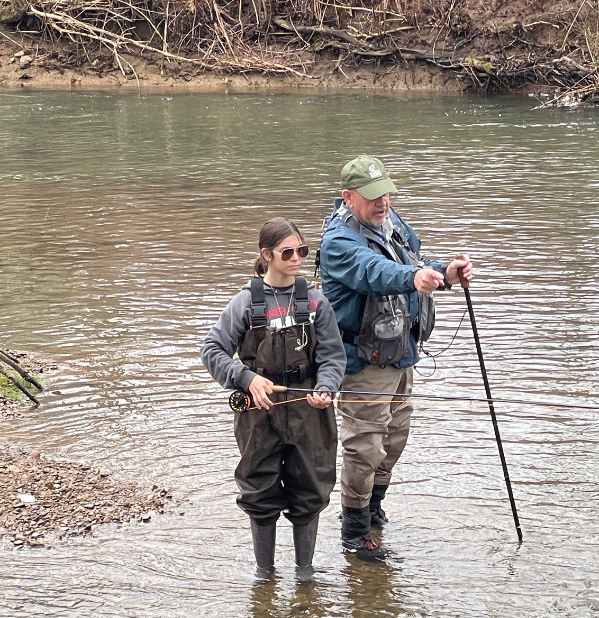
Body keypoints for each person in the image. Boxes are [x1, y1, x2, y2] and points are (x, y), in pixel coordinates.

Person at [319, 155, 473, 560]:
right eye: (372, 197)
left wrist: (446, 274)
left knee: (395, 439)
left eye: (386, 193)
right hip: (363, 360)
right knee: (365, 446)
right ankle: (353, 533)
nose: (382, 202)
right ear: (347, 197)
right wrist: (414, 278)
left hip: (401, 352)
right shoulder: (338, 241)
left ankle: (373, 510)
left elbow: (415, 264)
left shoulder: (391, 222)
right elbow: (374, 271)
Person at [201, 217, 346, 581]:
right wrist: (245, 378)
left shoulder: (315, 302)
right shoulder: (245, 303)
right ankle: (263, 573)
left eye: (302, 250)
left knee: (311, 487)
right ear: (267, 256)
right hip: (257, 412)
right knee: (259, 489)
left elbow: (332, 356)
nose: (297, 258)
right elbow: (212, 350)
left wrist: (326, 386)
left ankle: (305, 572)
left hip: (309, 413)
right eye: (288, 252)